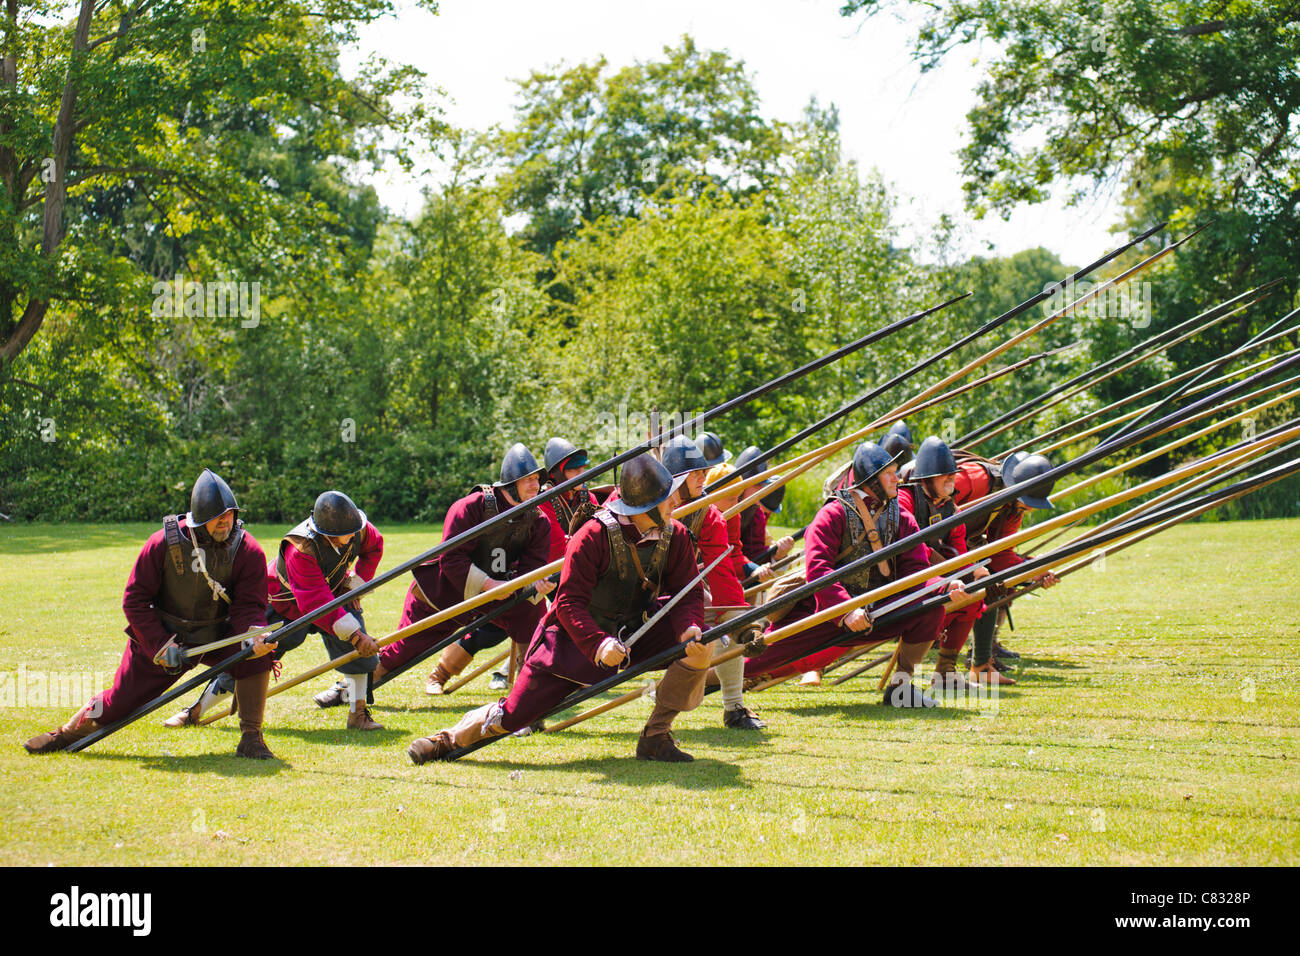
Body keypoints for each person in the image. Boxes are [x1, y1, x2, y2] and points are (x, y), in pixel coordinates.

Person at [407, 453, 712, 763]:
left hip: (637, 630)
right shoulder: (592, 535)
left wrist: (688, 626)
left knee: (701, 645)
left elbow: (687, 594)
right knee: (513, 716)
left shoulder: (677, 537)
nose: (674, 503)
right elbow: (568, 603)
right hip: (571, 643)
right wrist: (599, 642)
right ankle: (446, 740)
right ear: (645, 506)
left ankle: (656, 736)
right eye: (665, 498)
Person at [23, 470, 279, 757]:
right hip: (164, 637)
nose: (225, 522)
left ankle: (251, 738)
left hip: (217, 635)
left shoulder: (249, 550)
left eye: (229, 515)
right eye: (217, 517)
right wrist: (160, 644)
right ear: (199, 518)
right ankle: (65, 734)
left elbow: (249, 607)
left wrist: (254, 634)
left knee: (257, 655)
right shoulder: (161, 544)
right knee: (118, 702)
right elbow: (135, 600)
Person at [742, 442, 954, 708]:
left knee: (929, 609)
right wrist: (846, 610)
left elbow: (915, 572)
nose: (896, 479)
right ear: (870, 478)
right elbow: (819, 570)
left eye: (895, 471)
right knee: (748, 664)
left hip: (878, 609)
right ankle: (703, 681)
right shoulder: (831, 514)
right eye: (888, 473)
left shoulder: (902, 516)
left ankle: (900, 689)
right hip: (824, 613)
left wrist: (941, 587)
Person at [377, 443, 552, 697]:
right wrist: (489, 585)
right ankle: (353, 689)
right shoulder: (472, 507)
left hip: (500, 593)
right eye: (528, 480)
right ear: (511, 482)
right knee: (402, 650)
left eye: (537, 479)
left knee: (531, 614)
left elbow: (532, 570)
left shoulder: (538, 521)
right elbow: (451, 559)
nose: (536, 486)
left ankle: (529, 692)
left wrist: (536, 584)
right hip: (445, 591)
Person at [661, 436, 765, 730]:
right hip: (636, 590)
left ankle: (735, 708)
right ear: (676, 477)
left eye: (703, 472)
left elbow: (722, 573)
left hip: (681, 593)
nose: (702, 477)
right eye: (695, 472)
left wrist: (742, 622)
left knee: (729, 620)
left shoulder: (708, 514)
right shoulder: (646, 502)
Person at [953, 451, 1060, 684]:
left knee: (993, 586)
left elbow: (1001, 556)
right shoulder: (973, 480)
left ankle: (981, 666)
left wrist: (1034, 570)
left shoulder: (1014, 507)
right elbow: (931, 512)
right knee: (983, 582)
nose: (1029, 509)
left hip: (957, 551)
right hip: (931, 545)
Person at [896, 437, 987, 691]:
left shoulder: (951, 510)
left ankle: (945, 672)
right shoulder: (904, 500)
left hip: (936, 577)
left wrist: (973, 569)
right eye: (943, 475)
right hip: (901, 577)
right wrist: (947, 570)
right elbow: (908, 545)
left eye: (952, 474)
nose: (951, 479)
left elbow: (958, 549)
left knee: (975, 595)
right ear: (926, 478)